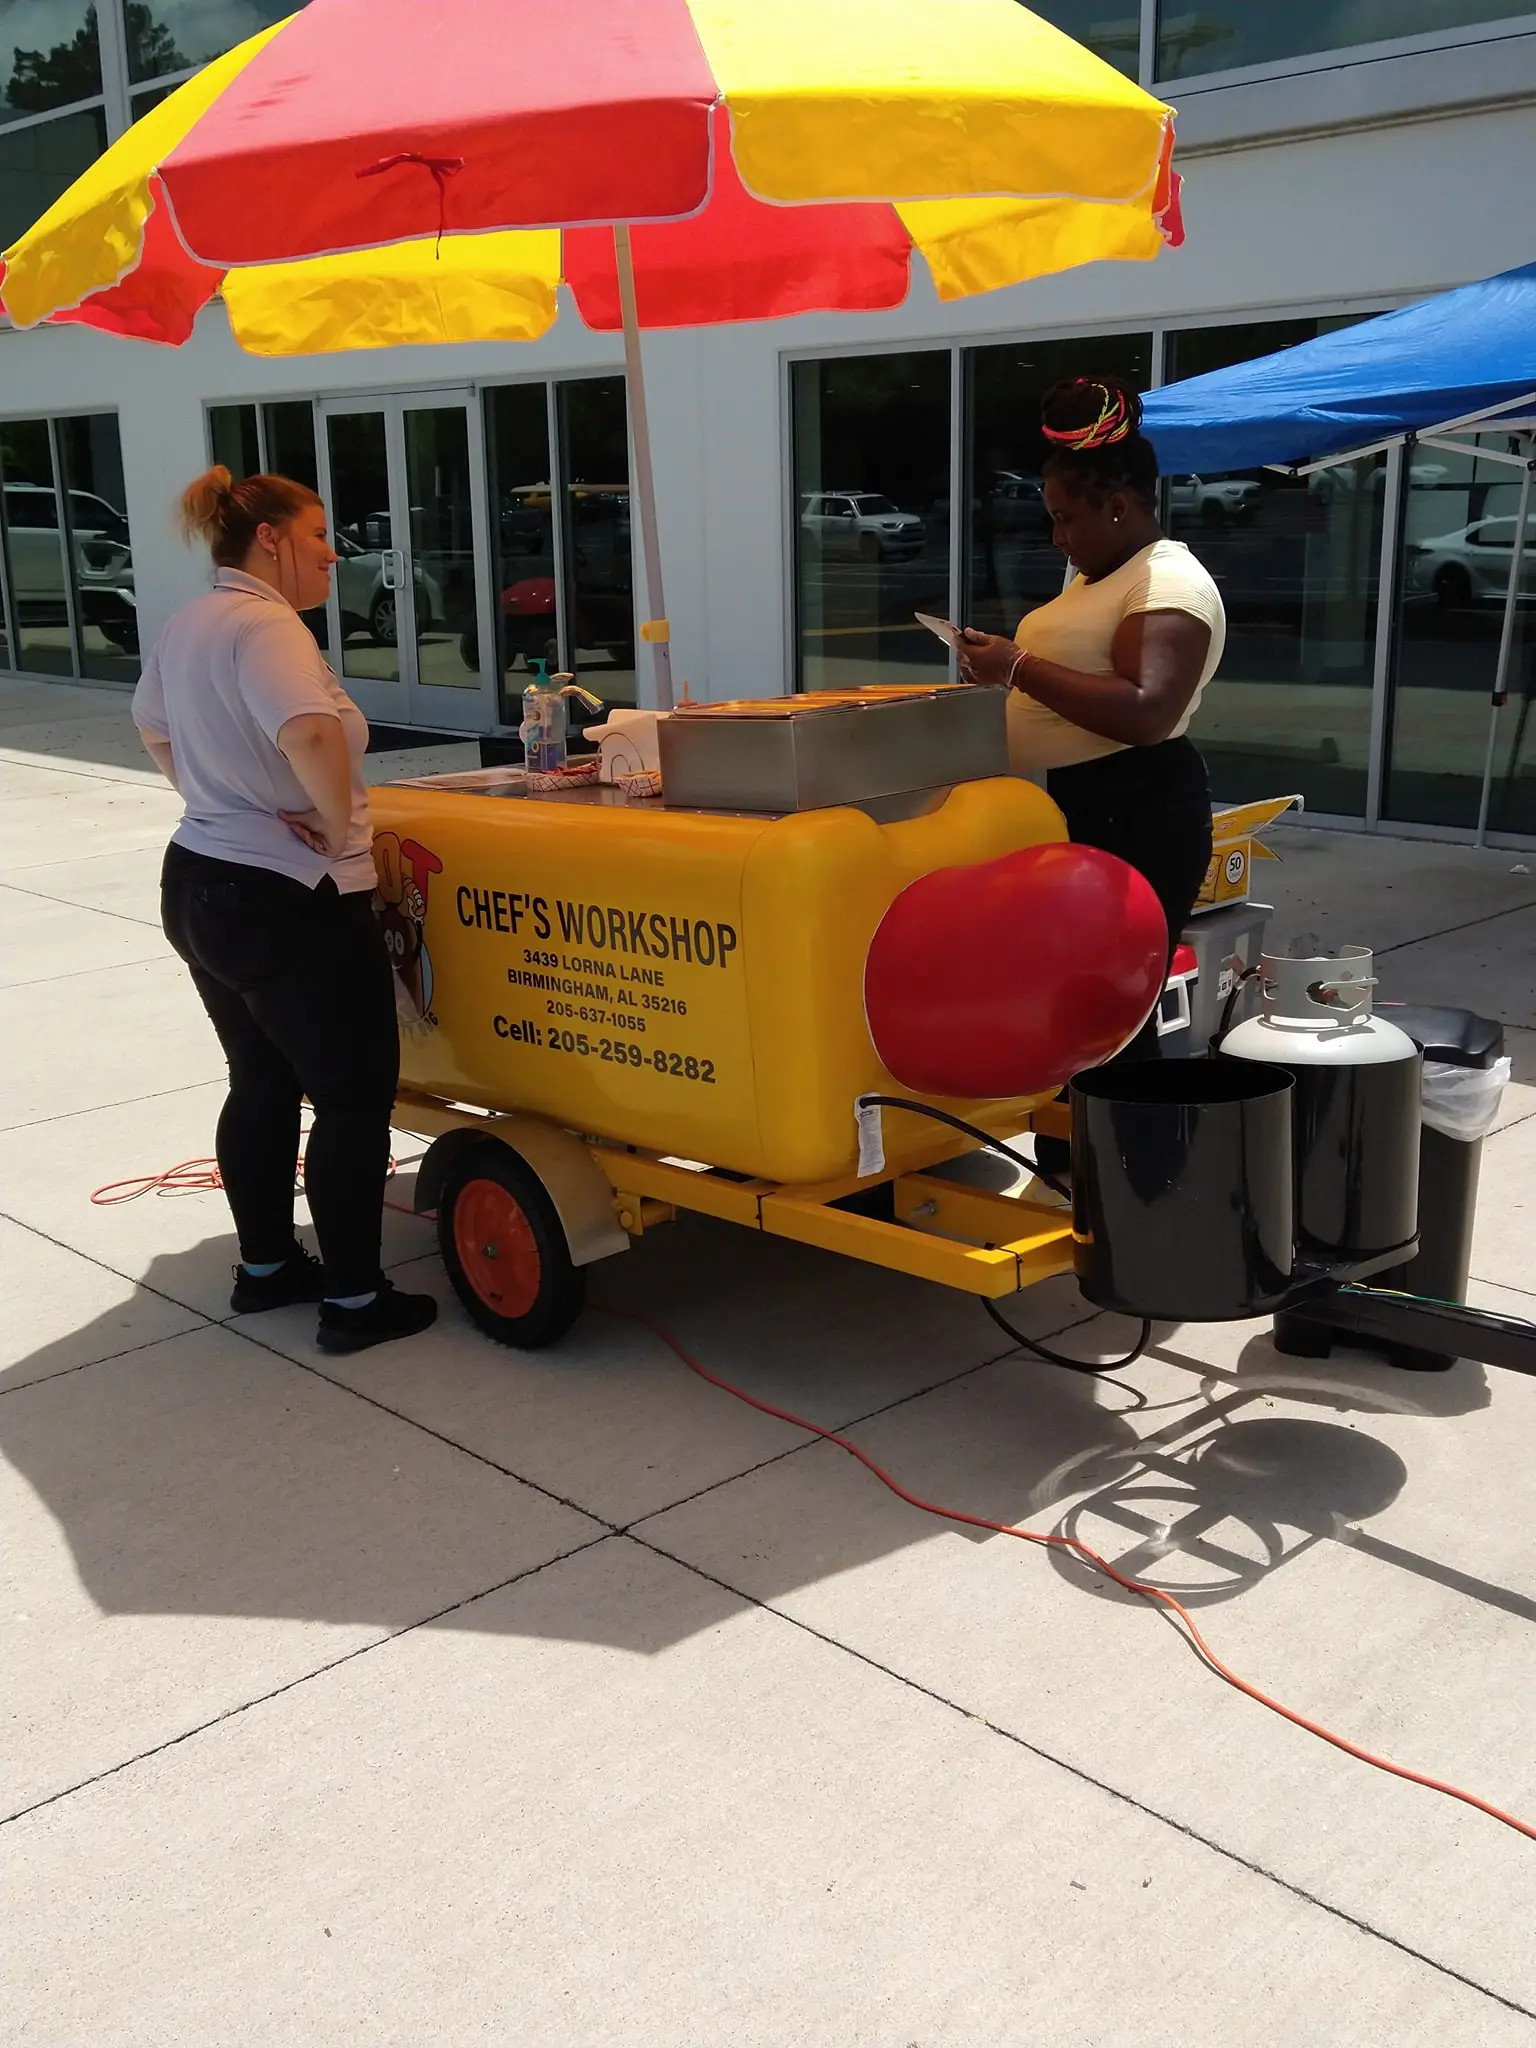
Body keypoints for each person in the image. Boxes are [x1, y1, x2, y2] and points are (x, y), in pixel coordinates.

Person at [133, 467, 437, 1355]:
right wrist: (334, 826)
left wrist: (221, 802)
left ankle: (266, 1268)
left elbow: (151, 726)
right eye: (316, 536)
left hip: (201, 878)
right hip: (288, 897)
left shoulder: (191, 622)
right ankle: (354, 1301)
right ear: (268, 540)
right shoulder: (266, 626)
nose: (332, 557)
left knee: (260, 1080)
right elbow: (306, 730)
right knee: (351, 1096)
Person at [957, 374, 1224, 1043]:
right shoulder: (1101, 578)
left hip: (1131, 811)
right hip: (1080, 806)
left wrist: (1016, 666)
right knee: (1066, 1010)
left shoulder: (1166, 581)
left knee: (1107, 1018)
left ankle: (1117, 1118)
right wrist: (999, 672)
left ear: (1117, 508)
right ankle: (1077, 1117)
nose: (1057, 538)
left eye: (1065, 518)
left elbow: (1147, 711)